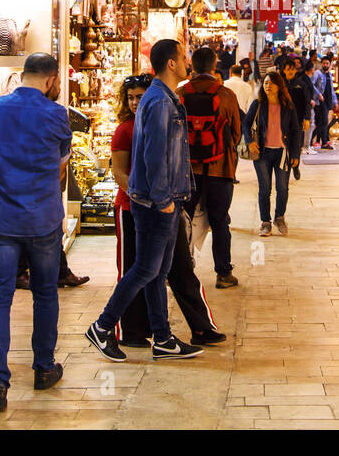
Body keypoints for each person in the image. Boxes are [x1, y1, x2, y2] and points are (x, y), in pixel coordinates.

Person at [87, 39, 204, 362]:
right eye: (183, 57)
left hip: (160, 199)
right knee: (145, 269)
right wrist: (163, 197)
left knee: (156, 270)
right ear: (171, 63)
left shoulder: (162, 97)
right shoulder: (161, 102)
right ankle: (102, 326)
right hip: (155, 202)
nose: (187, 61)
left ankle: (163, 338)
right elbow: (155, 155)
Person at [0, 53, 71, 411]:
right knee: (45, 293)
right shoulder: (57, 114)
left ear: (24, 74)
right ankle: (44, 367)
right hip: (43, 218)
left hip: (2, 217)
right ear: (50, 79)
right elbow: (61, 164)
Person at [108, 74, 227, 349]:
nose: (136, 102)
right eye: (131, 97)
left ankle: (199, 327)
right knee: (135, 271)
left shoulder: (160, 122)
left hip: (164, 208)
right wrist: (145, 198)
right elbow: (119, 172)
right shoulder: (125, 130)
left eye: (140, 96)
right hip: (133, 209)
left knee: (179, 268)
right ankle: (130, 331)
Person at [179, 47, 242, 289]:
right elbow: (235, 134)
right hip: (220, 169)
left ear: (191, 65)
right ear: (214, 66)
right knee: (219, 222)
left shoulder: (180, 93)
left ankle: (181, 271)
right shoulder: (226, 95)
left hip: (187, 171)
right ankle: (224, 273)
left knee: (182, 220)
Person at [242, 70, 302, 237]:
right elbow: (245, 125)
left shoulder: (287, 106)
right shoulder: (258, 104)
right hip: (262, 153)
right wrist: (249, 141)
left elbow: (296, 131)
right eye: (266, 83)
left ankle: (279, 217)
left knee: (283, 188)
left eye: (271, 83)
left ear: (279, 86)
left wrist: (296, 154)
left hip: (283, 153)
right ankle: (265, 222)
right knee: (265, 189)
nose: (268, 86)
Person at [282, 57, 314, 161]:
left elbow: (307, 102)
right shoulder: (281, 85)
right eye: (288, 69)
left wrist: (307, 118)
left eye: (292, 69)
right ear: (284, 71)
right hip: (283, 119)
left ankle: (296, 162)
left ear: (295, 70)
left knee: (297, 142)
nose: (290, 71)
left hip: (298, 119)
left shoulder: (301, 85)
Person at [310, 56, 336, 150]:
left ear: (329, 64)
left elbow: (332, 89)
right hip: (320, 101)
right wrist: (318, 94)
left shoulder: (329, 75)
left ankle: (324, 142)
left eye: (327, 63)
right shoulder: (317, 73)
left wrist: (335, 101)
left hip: (327, 101)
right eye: (324, 63)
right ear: (321, 64)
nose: (325, 65)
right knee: (324, 121)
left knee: (323, 122)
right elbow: (311, 84)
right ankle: (311, 139)